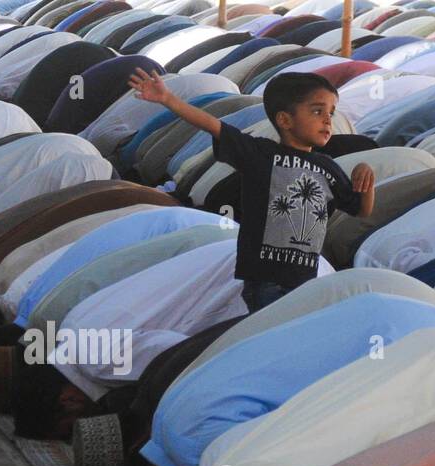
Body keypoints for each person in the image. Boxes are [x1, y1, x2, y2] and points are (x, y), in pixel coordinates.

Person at [127, 69, 375, 312]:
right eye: (317, 111)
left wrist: (366, 175)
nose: (327, 120)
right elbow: (214, 126)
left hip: (305, 279)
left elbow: (361, 209)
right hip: (266, 280)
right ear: (285, 120)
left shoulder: (327, 168)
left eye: (331, 112)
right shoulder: (261, 154)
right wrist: (168, 99)